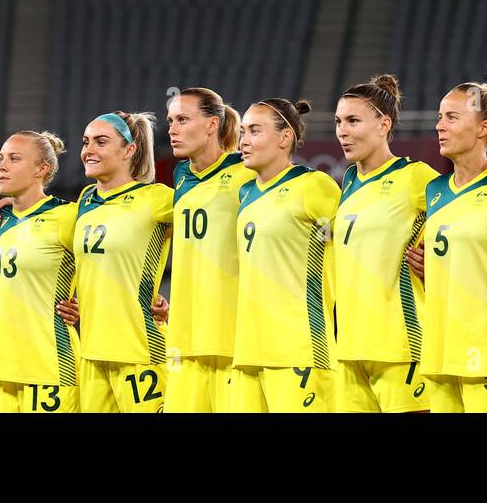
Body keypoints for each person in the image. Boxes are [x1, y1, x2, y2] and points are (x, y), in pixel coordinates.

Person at [333, 74, 439, 413]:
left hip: (400, 346)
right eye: (338, 122)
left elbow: (472, 215)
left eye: (352, 121)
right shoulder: (349, 182)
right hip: (348, 350)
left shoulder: (415, 177)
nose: (342, 131)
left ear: (383, 125)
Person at [230, 98, 340, 412]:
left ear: (284, 138)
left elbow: (355, 244)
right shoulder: (246, 193)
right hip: (249, 350)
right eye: (242, 132)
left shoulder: (314, 185)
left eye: (254, 130)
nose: (244, 140)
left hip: (300, 349)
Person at [59, 112, 172, 413]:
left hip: (140, 350)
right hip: (92, 353)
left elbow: (207, 238)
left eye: (101, 141)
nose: (88, 150)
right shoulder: (85, 200)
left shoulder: (157, 198)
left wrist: (177, 301)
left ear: (129, 150)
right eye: (85, 142)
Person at [419, 81, 487, 413]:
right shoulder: (433, 191)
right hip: (439, 350)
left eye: (451, 117)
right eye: (439, 117)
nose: (439, 125)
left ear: (482, 128)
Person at [165, 87, 255, 412]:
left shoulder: (248, 172)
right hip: (184, 338)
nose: (172, 129)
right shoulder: (181, 175)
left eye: (183, 119)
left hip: (232, 337)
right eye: (171, 120)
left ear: (211, 124)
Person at [0, 131, 80, 413]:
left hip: (51, 364)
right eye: (1, 158)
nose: (2, 165)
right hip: (4, 369)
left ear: (42, 169)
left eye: (14, 159)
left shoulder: (67, 216)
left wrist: (83, 305)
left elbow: (108, 263)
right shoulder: (1, 222)